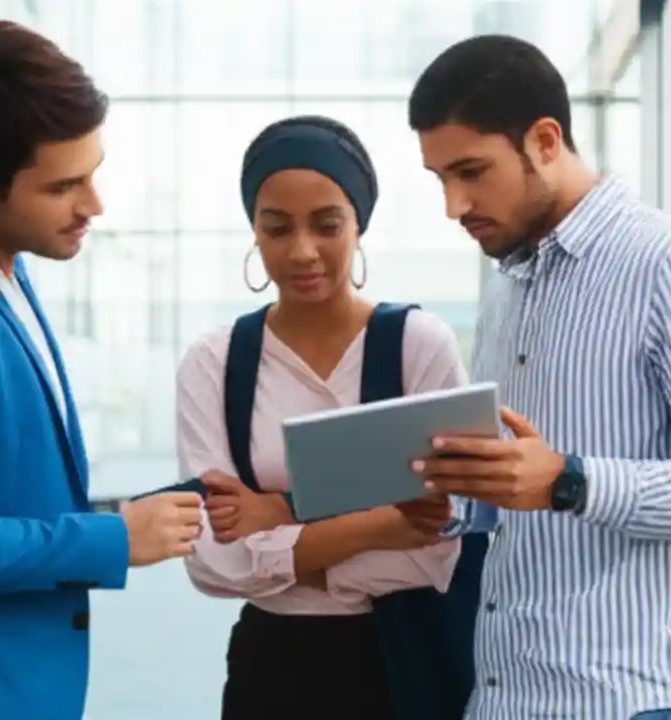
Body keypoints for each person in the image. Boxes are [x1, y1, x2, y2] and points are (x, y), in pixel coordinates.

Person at [403, 35, 671, 719]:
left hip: (635, 701)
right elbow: (518, 487)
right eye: (440, 178)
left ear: (546, 140)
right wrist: (452, 504)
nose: (454, 204)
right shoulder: (507, 286)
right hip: (508, 699)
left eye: (472, 171)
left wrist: (570, 480)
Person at [0, 21, 204, 720]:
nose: (94, 206)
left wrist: (139, 511)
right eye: (65, 185)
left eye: (94, 171)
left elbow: (3, 484)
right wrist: (117, 540)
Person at [175, 115, 485, 719]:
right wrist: (384, 525)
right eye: (276, 228)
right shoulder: (215, 363)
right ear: (254, 233)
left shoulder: (416, 345)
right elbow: (212, 558)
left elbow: (447, 537)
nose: (301, 251)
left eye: (326, 225)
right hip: (274, 666)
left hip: (407, 657)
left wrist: (279, 518)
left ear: (358, 224)